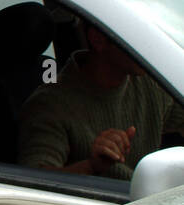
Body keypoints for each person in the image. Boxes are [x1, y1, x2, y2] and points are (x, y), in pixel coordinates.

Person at [18, 23, 184, 181]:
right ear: (98, 39)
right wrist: (92, 166)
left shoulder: (152, 83)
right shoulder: (50, 105)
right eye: (137, 36)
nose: (149, 46)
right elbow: (35, 180)